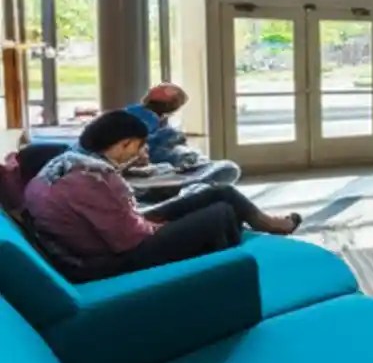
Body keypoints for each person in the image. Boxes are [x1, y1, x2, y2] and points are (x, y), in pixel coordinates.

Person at [23, 110, 301, 282]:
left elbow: (114, 219)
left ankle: (270, 224)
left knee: (218, 192)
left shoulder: (62, 164)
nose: (140, 154)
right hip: (106, 261)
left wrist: (156, 213)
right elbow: (130, 238)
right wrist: (165, 223)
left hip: (101, 241)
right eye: (139, 147)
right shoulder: (95, 178)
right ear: (124, 144)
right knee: (219, 214)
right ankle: (228, 277)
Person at [124, 82, 241, 187]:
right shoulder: (148, 117)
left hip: (156, 156)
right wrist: (171, 135)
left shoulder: (134, 110)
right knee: (224, 167)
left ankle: (200, 172)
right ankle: (200, 174)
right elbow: (144, 140)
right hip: (154, 153)